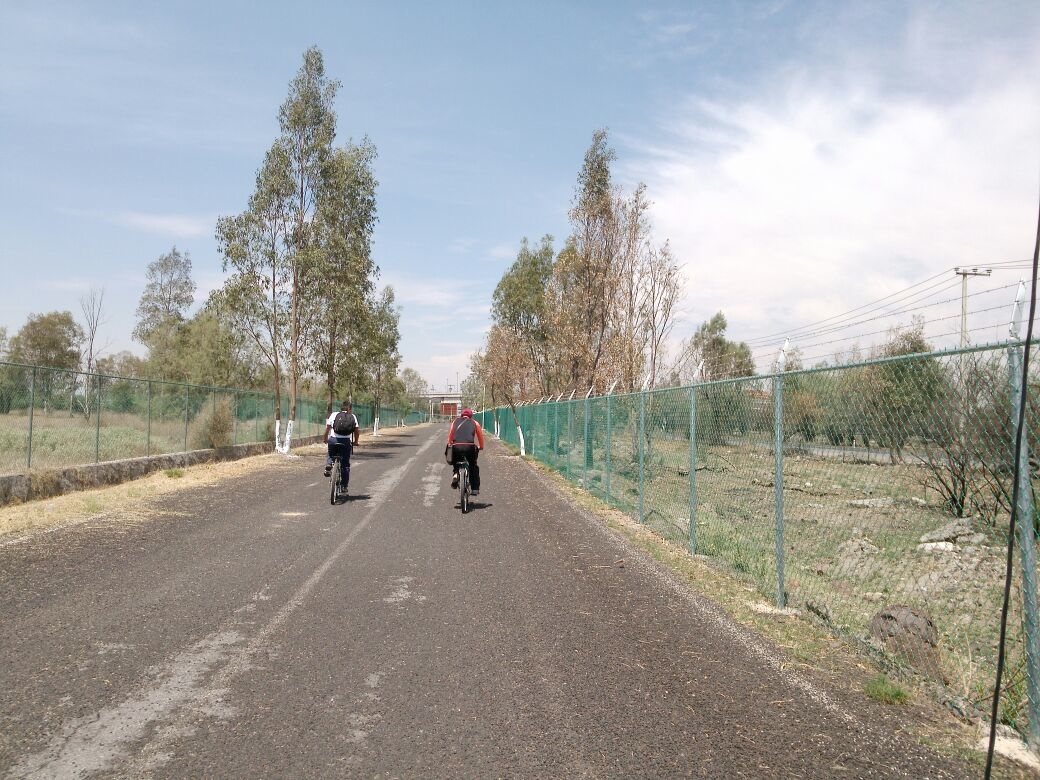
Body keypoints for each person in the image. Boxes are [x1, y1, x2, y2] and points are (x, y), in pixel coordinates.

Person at [323, 401, 360, 493]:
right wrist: (356, 441)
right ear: (350, 409)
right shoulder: (353, 416)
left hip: (333, 440)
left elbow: (328, 428)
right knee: (345, 465)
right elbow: (356, 431)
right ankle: (344, 486)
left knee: (330, 452)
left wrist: (325, 439)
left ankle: (329, 464)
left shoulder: (334, 415)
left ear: (341, 408)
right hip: (346, 442)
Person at [448, 408, 484, 495]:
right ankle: (475, 488)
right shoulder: (475, 423)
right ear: (471, 416)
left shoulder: (455, 422)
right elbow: (480, 436)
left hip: (456, 447)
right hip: (469, 447)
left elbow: (451, 435)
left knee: (456, 461)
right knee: (473, 465)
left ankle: (456, 474)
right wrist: (481, 446)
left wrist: (450, 444)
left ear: (461, 415)